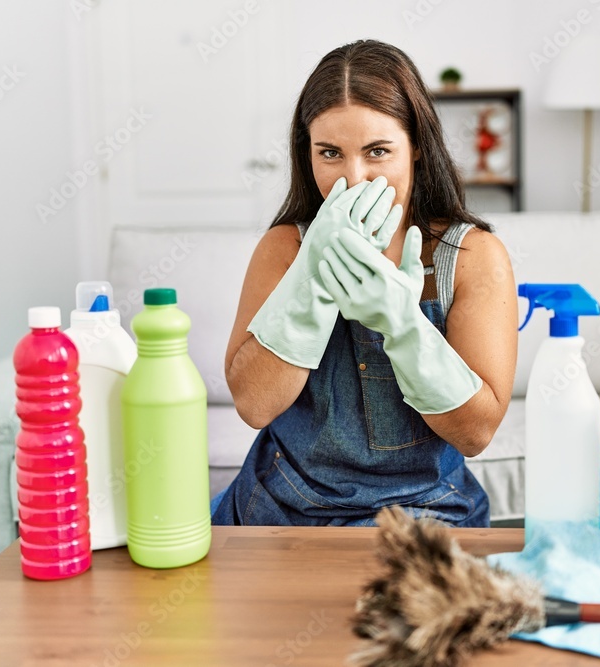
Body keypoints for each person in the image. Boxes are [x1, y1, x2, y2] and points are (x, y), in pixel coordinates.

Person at [211, 39, 518, 527]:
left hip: (426, 514)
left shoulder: (473, 257)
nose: (353, 180)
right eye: (330, 153)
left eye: (378, 151)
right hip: (281, 508)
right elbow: (254, 405)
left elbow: (475, 433)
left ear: (416, 147)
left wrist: (403, 326)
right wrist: (312, 276)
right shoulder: (284, 248)